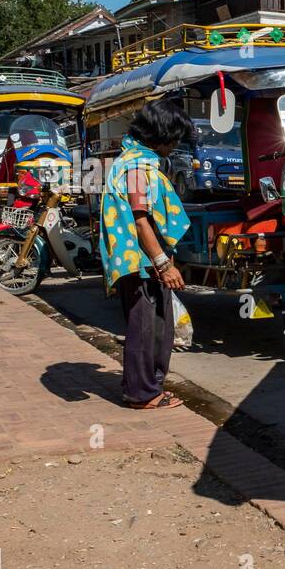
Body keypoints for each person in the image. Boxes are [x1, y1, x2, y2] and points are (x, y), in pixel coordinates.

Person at [99, 99, 193, 409]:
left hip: (140, 261)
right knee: (145, 329)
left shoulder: (133, 159)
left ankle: (145, 387)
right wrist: (163, 263)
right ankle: (142, 393)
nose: (175, 145)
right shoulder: (138, 166)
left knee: (155, 327)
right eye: (174, 137)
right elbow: (140, 220)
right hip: (141, 262)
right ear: (161, 134)